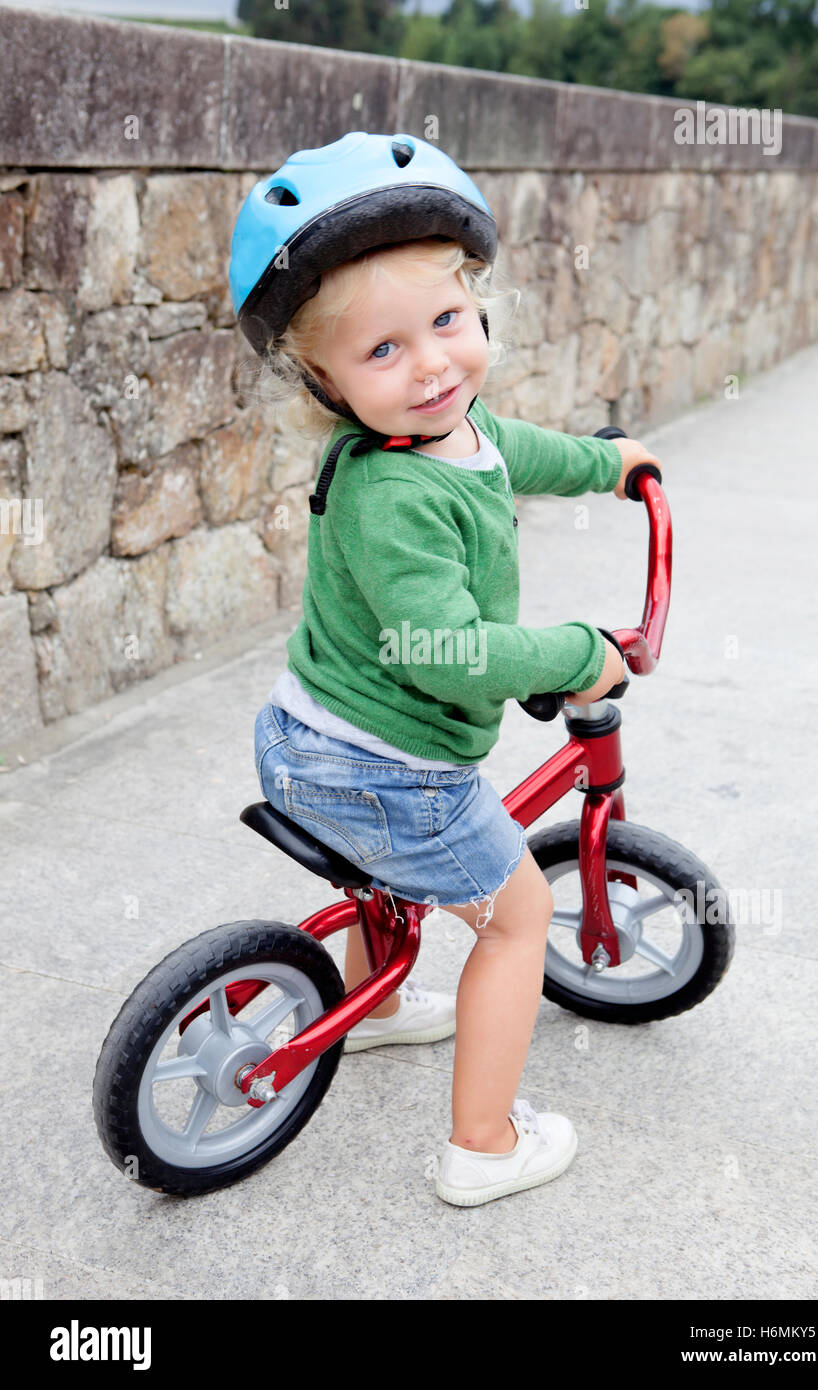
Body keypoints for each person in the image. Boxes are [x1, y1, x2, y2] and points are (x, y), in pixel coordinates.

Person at [230, 132, 660, 1205]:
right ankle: (481, 1146)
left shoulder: (445, 426)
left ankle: (374, 1006)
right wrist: (575, 653)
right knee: (513, 916)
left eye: (446, 323)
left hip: (318, 736)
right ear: (319, 379)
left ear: (475, 305)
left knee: (400, 867)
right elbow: (453, 656)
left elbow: (507, 442)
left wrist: (606, 465)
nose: (430, 365)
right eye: (381, 352)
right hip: (376, 770)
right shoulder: (392, 497)